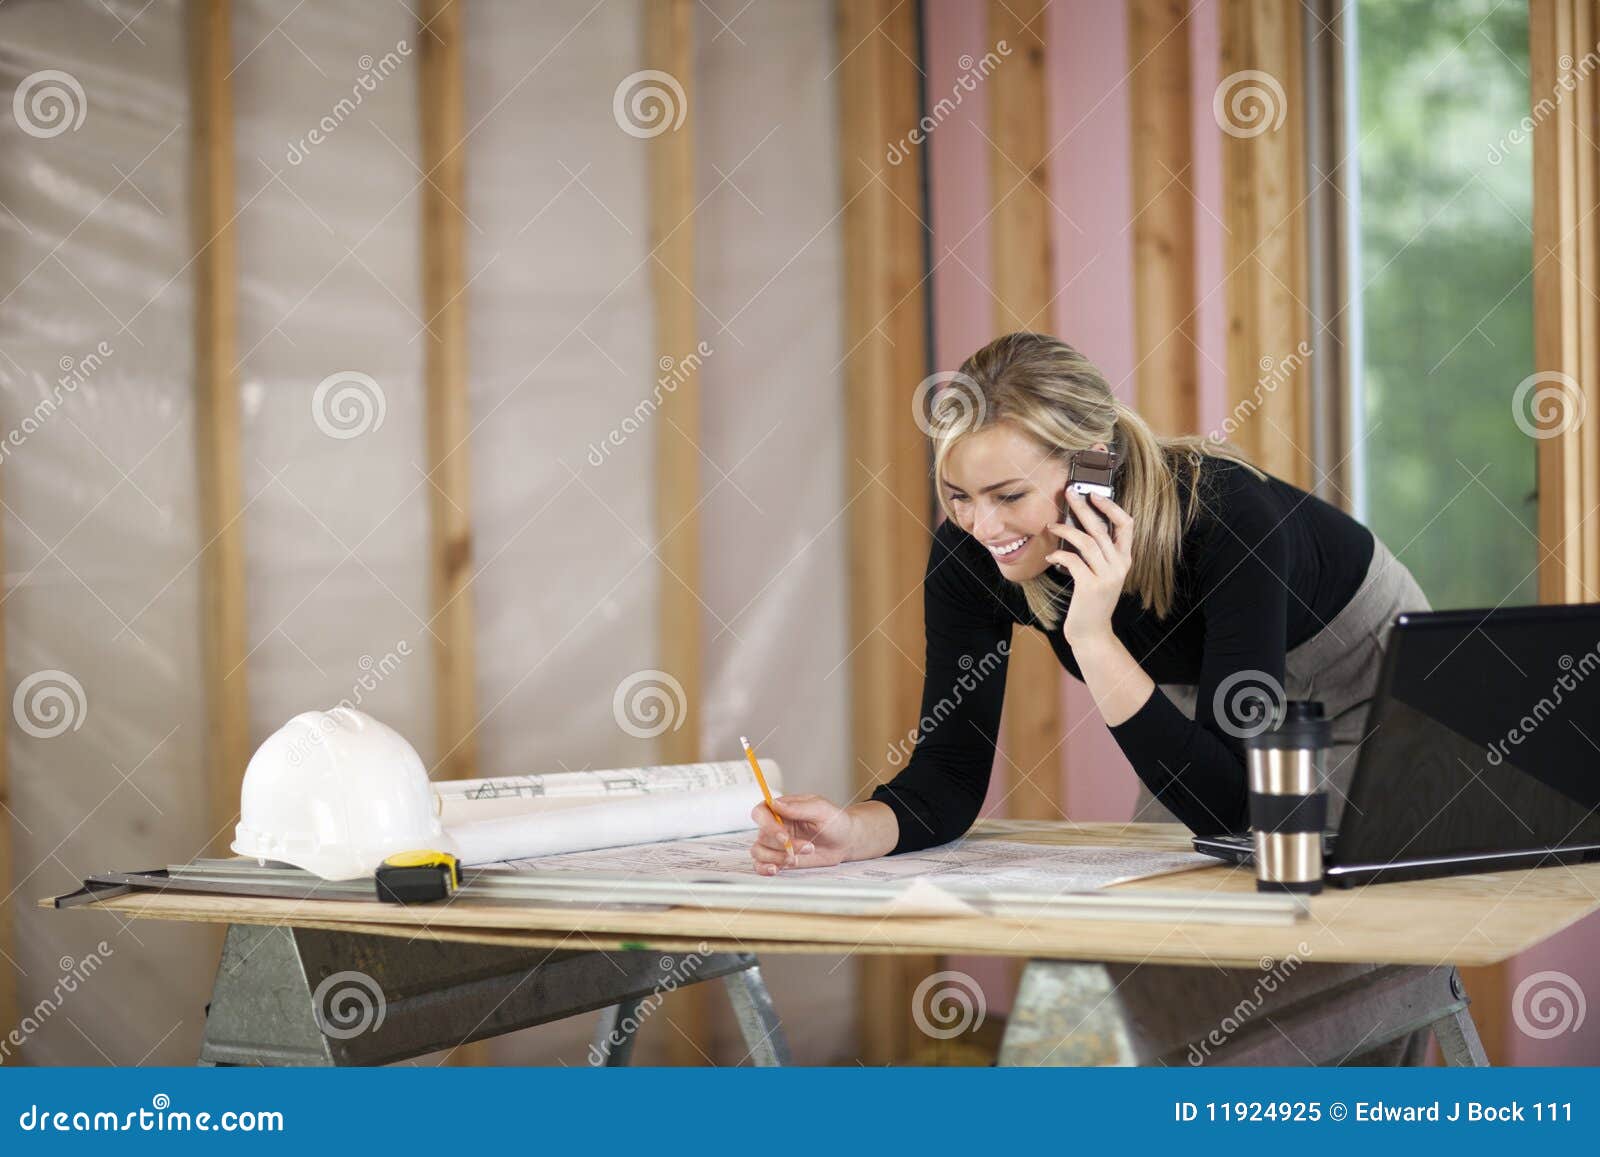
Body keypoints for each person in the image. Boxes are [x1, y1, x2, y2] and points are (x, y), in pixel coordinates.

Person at [747, 331, 1429, 875]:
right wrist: (854, 830)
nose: (982, 527)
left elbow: (1236, 810)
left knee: (1334, 915)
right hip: (1219, 697)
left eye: (1009, 496)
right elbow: (949, 774)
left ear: (1091, 470)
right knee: (1159, 929)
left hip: (1368, 681)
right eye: (958, 494)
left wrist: (1095, 640)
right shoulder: (973, 554)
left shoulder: (1226, 518)